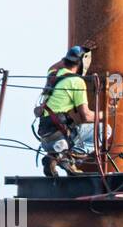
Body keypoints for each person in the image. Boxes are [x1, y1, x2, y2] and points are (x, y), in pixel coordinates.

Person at [36, 45, 109, 176]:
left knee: (71, 128)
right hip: (60, 137)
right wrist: (107, 114)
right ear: (81, 64)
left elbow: (57, 64)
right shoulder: (77, 81)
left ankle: (55, 156)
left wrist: (74, 52)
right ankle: (69, 159)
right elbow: (86, 116)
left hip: (45, 139)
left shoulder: (52, 74)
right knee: (105, 129)